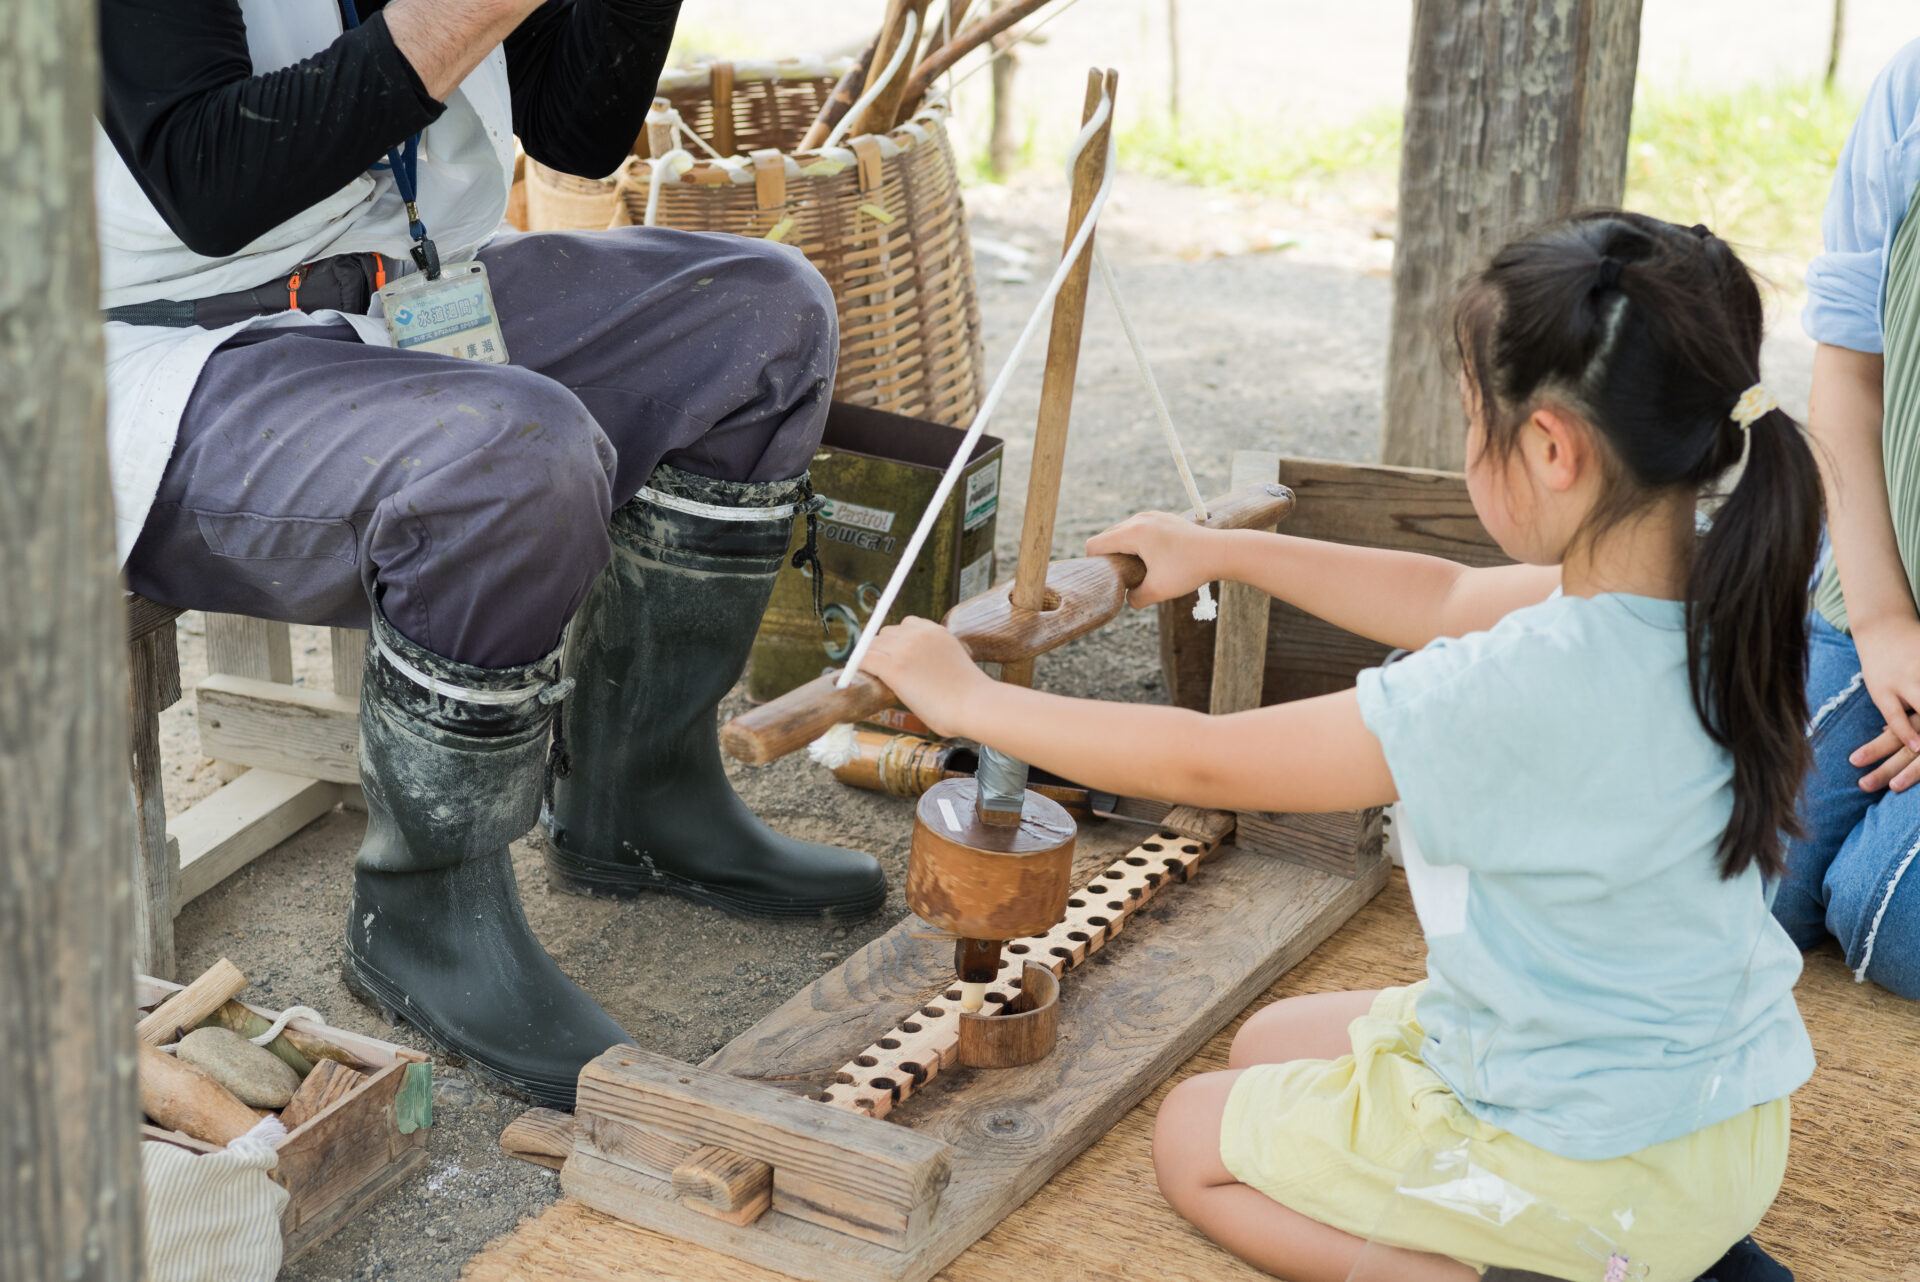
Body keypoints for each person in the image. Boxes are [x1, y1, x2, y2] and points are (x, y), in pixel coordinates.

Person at [860, 212, 1816, 1280]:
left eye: (1473, 421)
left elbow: (1207, 761)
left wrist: (970, 701)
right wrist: (1220, 552)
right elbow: (1442, 596)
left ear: (1552, 448)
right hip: (1716, 1127)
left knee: (1193, 1137)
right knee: (1270, 1042)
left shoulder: (1515, 687)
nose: (1466, 448)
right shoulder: (1725, 589)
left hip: (1584, 1163)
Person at [100, 0, 885, 1109]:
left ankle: (639, 793)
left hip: (409, 287)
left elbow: (576, 134)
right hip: (166, 348)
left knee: (760, 315)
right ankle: (427, 910)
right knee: (515, 456)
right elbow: (207, 182)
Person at [1774, 38, 1920, 998]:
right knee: (1742, 884)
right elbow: (1850, 375)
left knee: (1884, 911)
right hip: (1877, 581)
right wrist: (1882, 621)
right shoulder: (1912, 90)